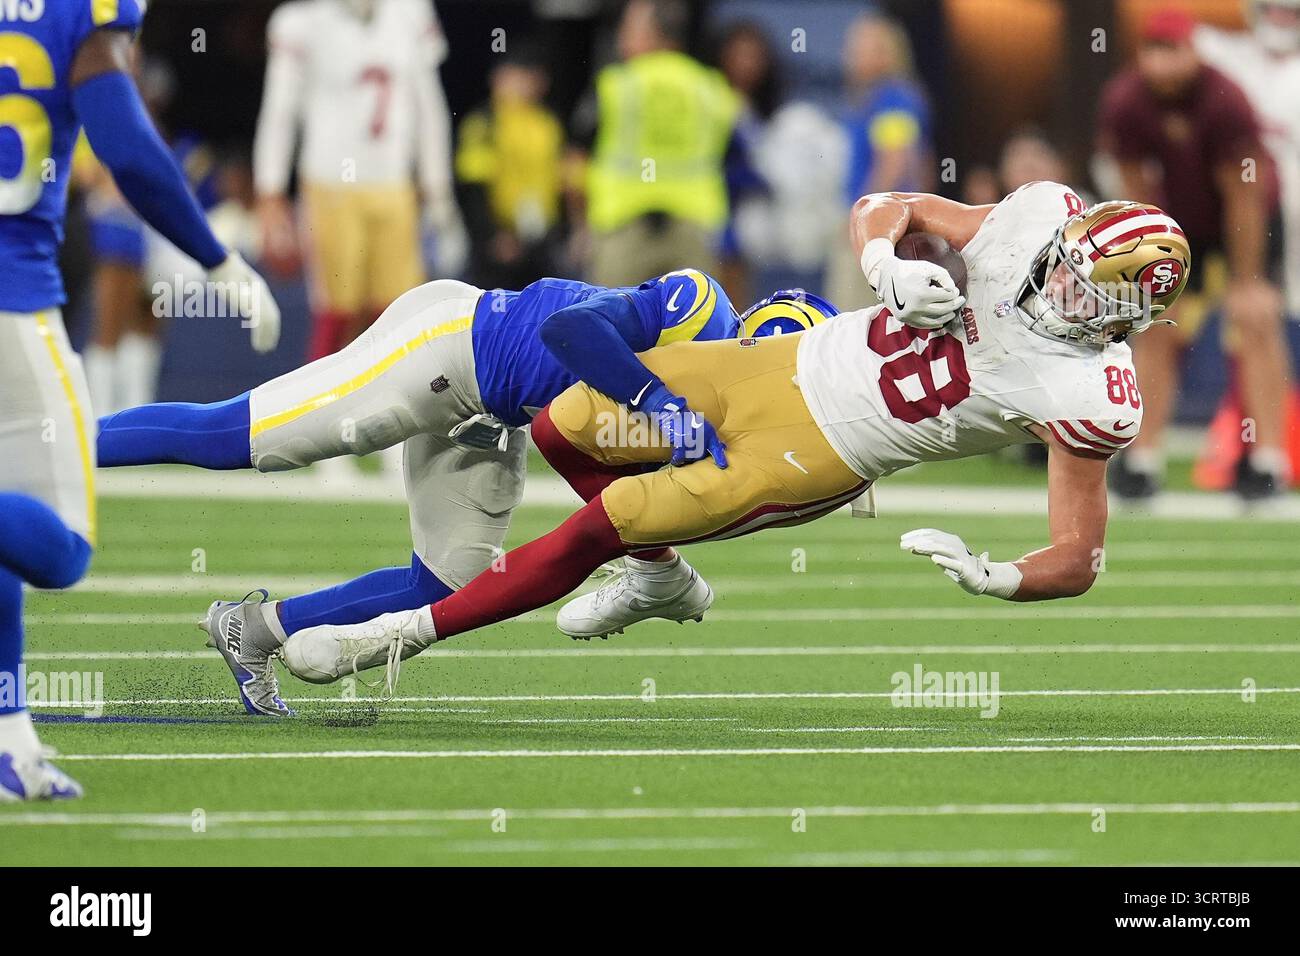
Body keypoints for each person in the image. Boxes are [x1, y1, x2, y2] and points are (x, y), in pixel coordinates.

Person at [272, 182, 1192, 692]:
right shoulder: (1029, 220)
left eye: (1091, 295)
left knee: (606, 519)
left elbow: (1079, 554)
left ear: (1132, 316)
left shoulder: (1094, 391)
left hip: (819, 451)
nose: (1064, 293)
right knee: (567, 426)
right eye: (1068, 271)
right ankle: (661, 579)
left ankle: (395, 638)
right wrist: (888, 264)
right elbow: (888, 206)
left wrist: (1001, 577)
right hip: (778, 365)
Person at [95, 269, 770, 714]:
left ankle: (253, 629)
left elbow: (582, 459)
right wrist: (654, 401)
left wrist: (653, 548)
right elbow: (569, 331)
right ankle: (55, 448)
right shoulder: (698, 307)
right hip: (450, 349)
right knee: (234, 438)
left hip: (489, 415)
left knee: (453, 583)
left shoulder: (718, 420)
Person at [0, 0, 279, 800]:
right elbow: (124, 144)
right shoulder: (75, 9)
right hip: (11, 296)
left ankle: (11, 742)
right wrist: (216, 258)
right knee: (60, 546)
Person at [1098, 6, 1290, 501]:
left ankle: (1268, 458)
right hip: (1178, 223)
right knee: (1159, 324)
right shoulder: (1125, 101)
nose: (1162, 64)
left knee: (1255, 319)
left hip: (1246, 217)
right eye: (1153, 51)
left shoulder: (1224, 99)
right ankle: (1142, 459)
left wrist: (1246, 278)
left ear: (1192, 52)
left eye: (1172, 50)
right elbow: (1138, 191)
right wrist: (1154, 265)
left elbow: (1243, 193)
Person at [253, 0, 465, 361]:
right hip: (329, 183)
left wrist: (439, 189)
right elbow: (280, 110)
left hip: (395, 183)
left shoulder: (411, 13)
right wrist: (270, 192)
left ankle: (395, 414)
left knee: (400, 315)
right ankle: (319, 411)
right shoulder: (302, 21)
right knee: (338, 314)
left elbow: (429, 108)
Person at [569, 0, 739, 286]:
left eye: (628, 29)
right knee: (697, 325)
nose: (621, 38)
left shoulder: (615, 85)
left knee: (613, 324)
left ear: (651, 35)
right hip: (694, 229)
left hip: (621, 229)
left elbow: (575, 160)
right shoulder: (712, 88)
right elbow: (731, 157)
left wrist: (579, 226)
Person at [824, 12, 933, 311]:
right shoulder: (875, 98)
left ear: (886, 54)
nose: (849, 54)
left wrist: (862, 218)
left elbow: (895, 160)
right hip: (886, 224)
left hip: (874, 228)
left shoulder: (893, 98)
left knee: (851, 318)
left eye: (860, 47)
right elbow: (924, 164)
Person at [455, 48, 566, 289]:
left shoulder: (547, 123)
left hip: (540, 240)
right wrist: (492, 235)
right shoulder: (484, 122)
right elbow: (473, 185)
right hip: (498, 243)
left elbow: (559, 181)